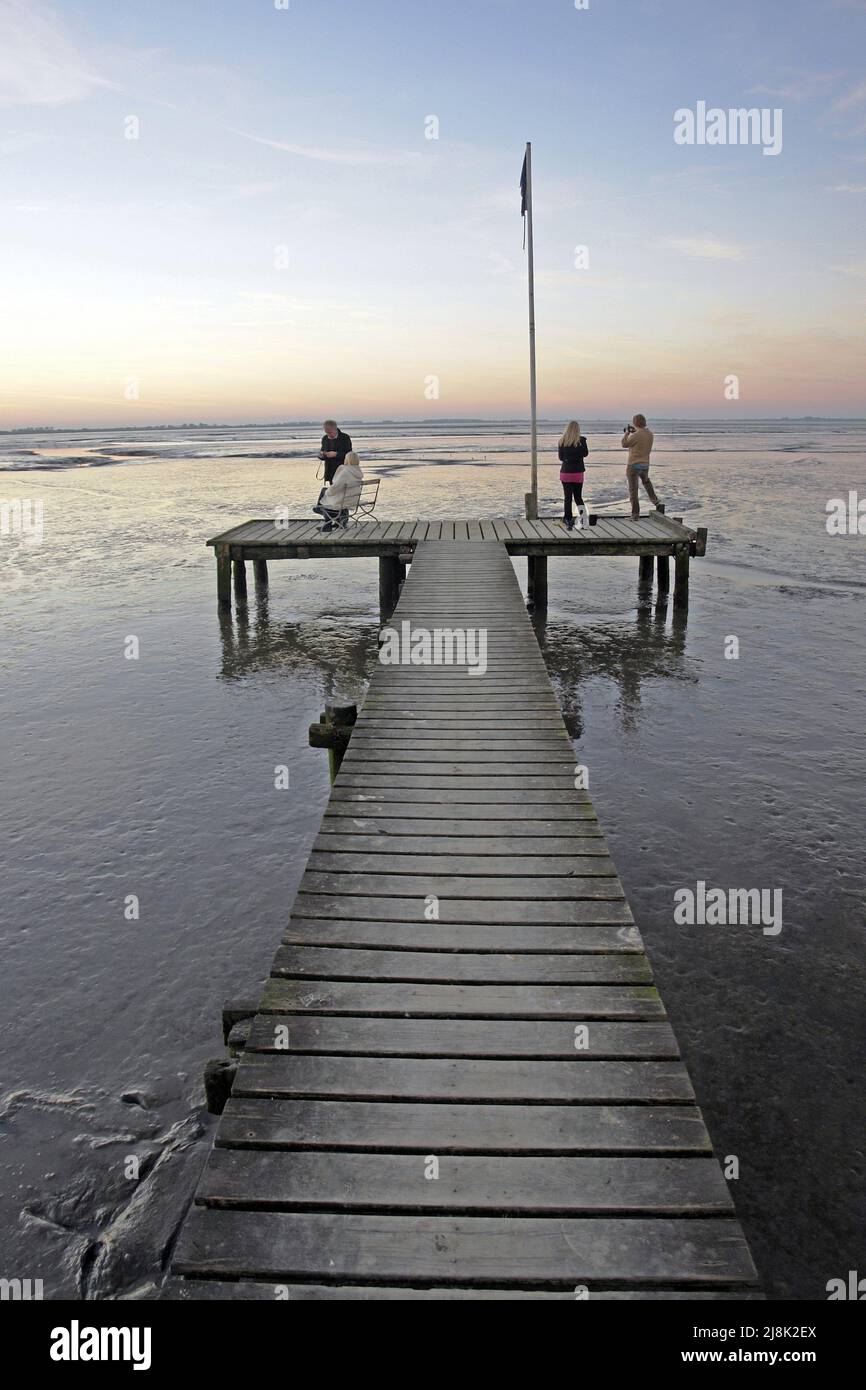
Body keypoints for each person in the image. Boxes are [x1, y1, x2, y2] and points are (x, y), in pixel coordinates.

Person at [621, 413, 660, 518]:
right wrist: (634, 432)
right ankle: (655, 500)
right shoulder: (650, 434)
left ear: (635, 423)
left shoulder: (636, 435)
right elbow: (640, 441)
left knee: (633, 490)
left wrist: (627, 433)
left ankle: (635, 514)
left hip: (634, 464)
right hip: (645, 464)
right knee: (646, 482)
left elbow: (624, 444)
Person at [315, 451, 364, 532]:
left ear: (348, 460)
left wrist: (327, 493)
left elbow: (336, 487)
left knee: (324, 495)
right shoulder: (357, 471)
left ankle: (328, 523)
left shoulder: (346, 472)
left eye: (345, 458)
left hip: (344, 500)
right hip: (353, 498)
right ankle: (338, 521)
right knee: (325, 492)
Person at [558, 420, 589, 530]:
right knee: (578, 497)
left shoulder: (562, 441)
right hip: (577, 472)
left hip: (566, 472)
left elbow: (561, 458)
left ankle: (568, 519)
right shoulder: (581, 441)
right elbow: (586, 453)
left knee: (567, 497)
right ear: (578, 430)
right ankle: (584, 519)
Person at [318, 420, 352, 484]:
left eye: (330, 432)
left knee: (342, 491)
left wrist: (336, 454)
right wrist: (322, 455)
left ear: (335, 429)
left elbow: (350, 455)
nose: (329, 435)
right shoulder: (325, 438)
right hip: (330, 470)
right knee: (333, 491)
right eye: (326, 432)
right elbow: (322, 451)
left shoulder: (345, 437)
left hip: (343, 470)